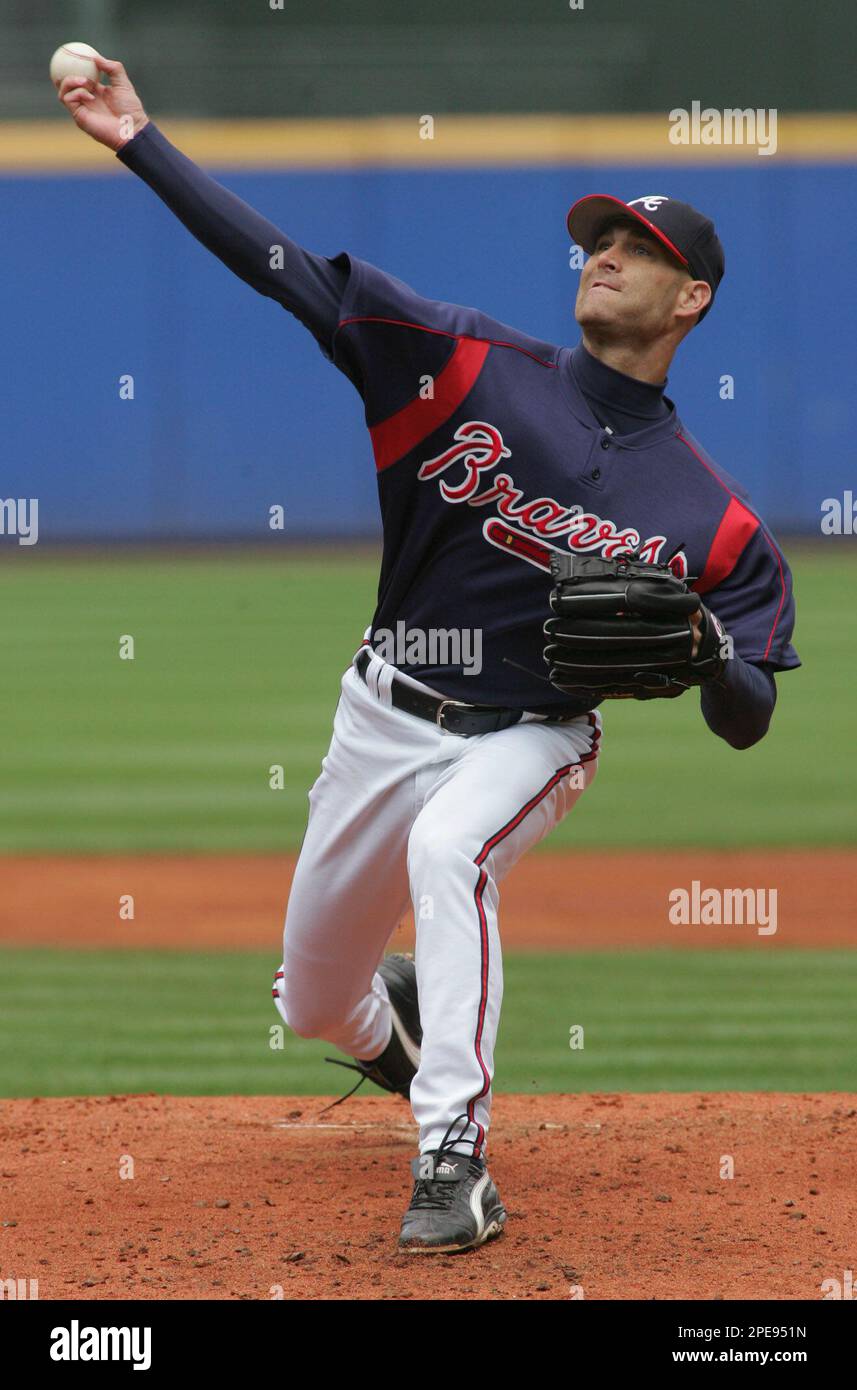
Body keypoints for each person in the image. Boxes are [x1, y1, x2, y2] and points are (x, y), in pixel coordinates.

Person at [59, 59, 799, 1255]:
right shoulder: (461, 362)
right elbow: (289, 275)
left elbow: (750, 711)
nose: (604, 252)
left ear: (690, 300)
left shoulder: (711, 518)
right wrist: (139, 138)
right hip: (379, 715)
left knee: (449, 848)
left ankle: (454, 1156)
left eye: (638, 246)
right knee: (311, 1003)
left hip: (528, 734)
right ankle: (403, 1034)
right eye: (598, 236)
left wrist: (713, 649)